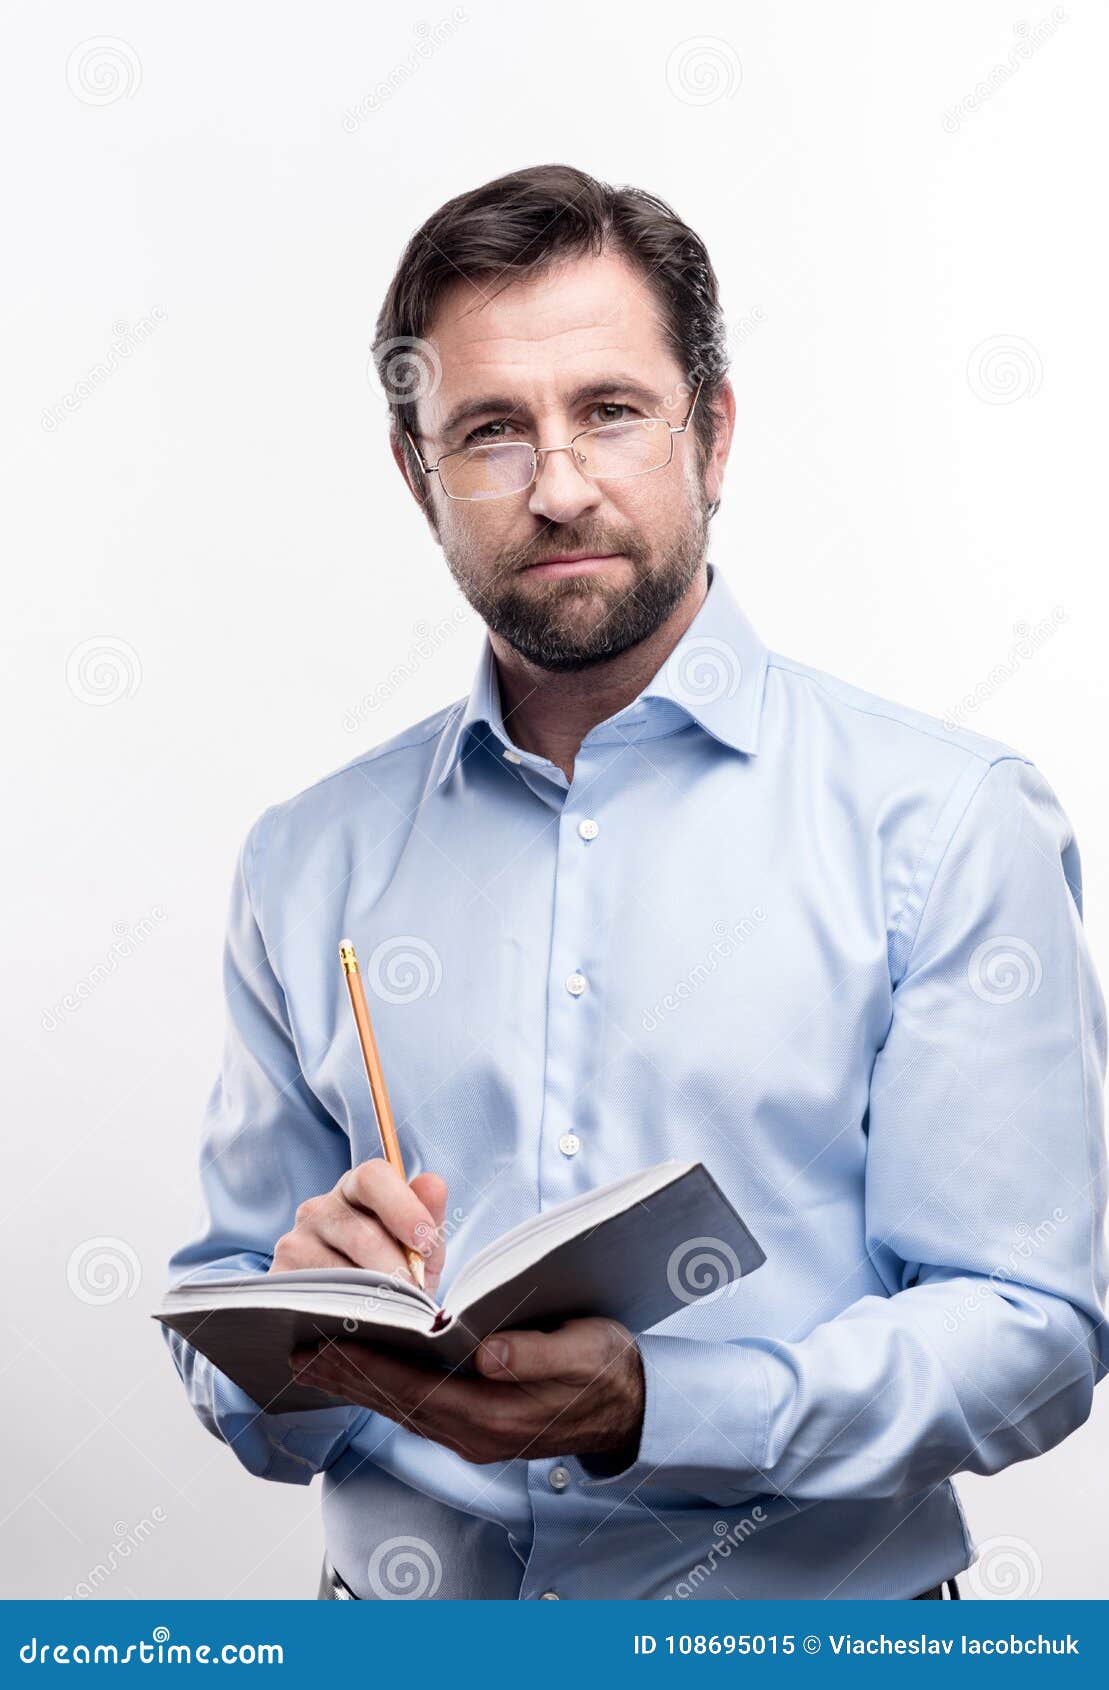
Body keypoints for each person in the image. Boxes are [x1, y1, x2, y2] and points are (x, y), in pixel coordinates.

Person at [164, 164, 1107, 1601]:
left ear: (710, 435)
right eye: (489, 431)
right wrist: (299, 1324)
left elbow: (1031, 1327)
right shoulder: (307, 859)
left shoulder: (943, 822)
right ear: (420, 478)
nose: (556, 486)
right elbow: (218, 1333)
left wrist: (663, 1407)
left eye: (608, 410)